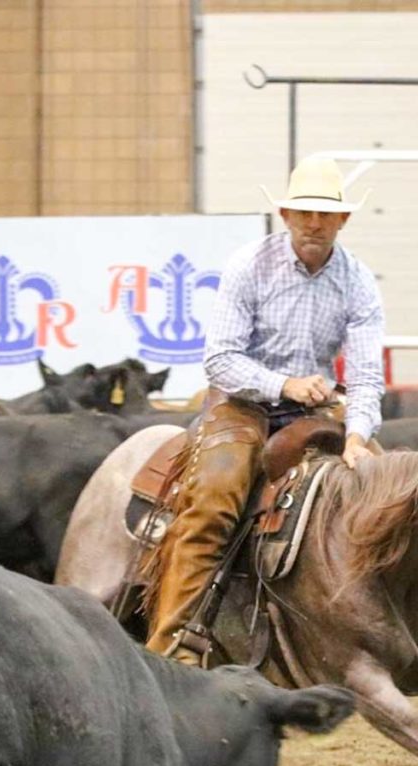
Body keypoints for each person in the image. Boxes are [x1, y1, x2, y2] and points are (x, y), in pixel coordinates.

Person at [146, 155, 386, 664]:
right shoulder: (249, 265)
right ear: (285, 215)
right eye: (304, 212)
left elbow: (365, 376)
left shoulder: (359, 282)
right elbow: (221, 359)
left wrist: (360, 438)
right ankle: (169, 645)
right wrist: (286, 384)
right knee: (214, 499)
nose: (314, 223)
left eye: (325, 214)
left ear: (344, 220)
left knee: (385, 493)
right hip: (243, 404)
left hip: (316, 411)